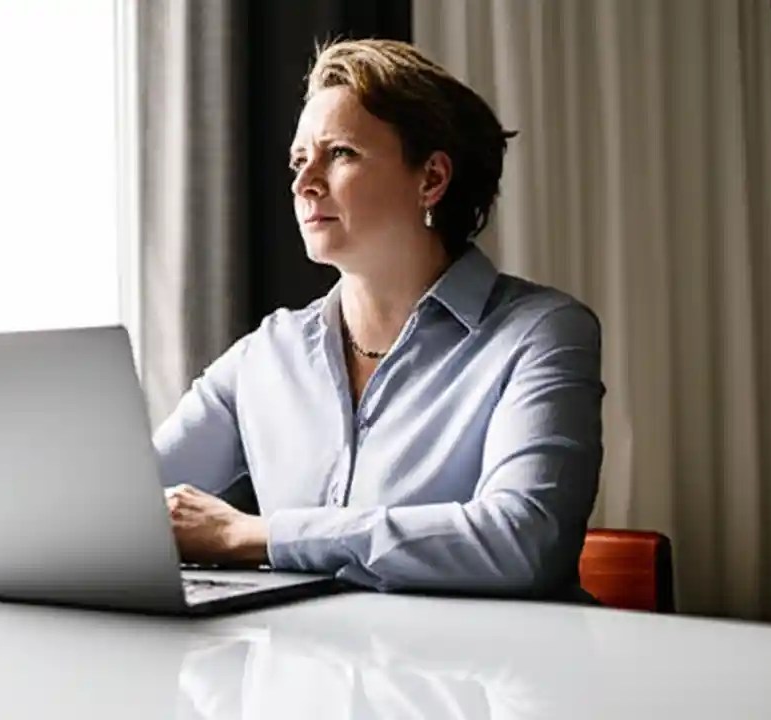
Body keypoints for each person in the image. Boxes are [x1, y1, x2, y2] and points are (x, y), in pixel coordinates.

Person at [155, 38, 605, 599]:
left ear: (431, 179)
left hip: (483, 658)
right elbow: (125, 506)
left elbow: (522, 539)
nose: (303, 182)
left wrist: (256, 535)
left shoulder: (543, 333)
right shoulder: (264, 355)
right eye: (299, 159)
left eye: (340, 153)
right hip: (305, 656)